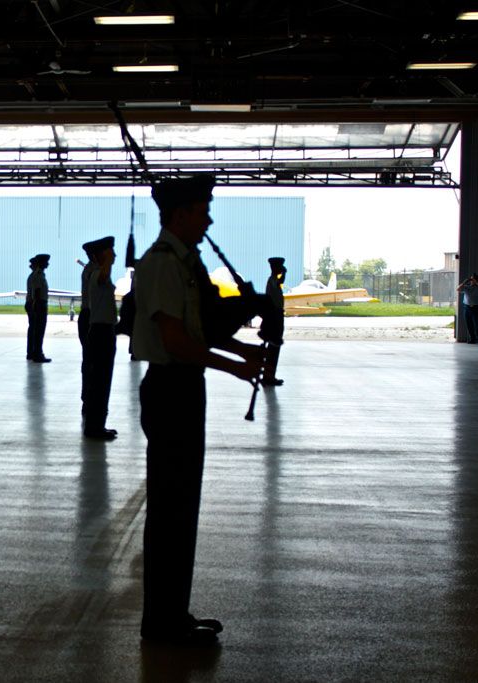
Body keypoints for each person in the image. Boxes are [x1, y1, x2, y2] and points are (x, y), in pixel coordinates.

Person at [132, 175, 264, 646]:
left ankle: (173, 614)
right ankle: (162, 624)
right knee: (170, 511)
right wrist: (232, 366)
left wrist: (240, 349)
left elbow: (196, 327)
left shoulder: (184, 262)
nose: (208, 217)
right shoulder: (164, 264)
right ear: (180, 214)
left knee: (181, 508)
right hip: (172, 389)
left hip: (184, 387)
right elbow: (174, 340)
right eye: (202, 209)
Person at [84, 237, 118, 440]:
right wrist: (107, 260)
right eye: (109, 251)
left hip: (105, 331)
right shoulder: (97, 274)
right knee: (100, 382)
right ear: (100, 256)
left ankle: (98, 424)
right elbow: (104, 275)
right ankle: (94, 427)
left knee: (103, 381)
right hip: (101, 332)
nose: (113, 255)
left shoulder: (100, 273)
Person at [78, 242, 98, 417]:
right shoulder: (95, 271)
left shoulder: (91, 269)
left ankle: (88, 398)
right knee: (93, 363)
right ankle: (90, 400)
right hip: (91, 318)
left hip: (88, 316)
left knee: (89, 361)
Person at [262, 257, 287, 386]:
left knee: (273, 348)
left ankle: (269, 375)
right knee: (273, 348)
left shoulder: (273, 280)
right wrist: (284, 273)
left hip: (276, 316)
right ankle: (268, 376)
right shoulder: (272, 280)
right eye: (280, 267)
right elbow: (279, 282)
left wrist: (284, 273)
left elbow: (280, 281)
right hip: (275, 317)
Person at [25, 253, 51, 363]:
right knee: (38, 330)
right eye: (46, 262)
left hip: (36, 304)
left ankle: (32, 352)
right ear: (42, 263)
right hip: (38, 304)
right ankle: (37, 354)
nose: (48, 264)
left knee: (34, 329)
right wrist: (36, 305)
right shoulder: (38, 275)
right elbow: (37, 292)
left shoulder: (37, 275)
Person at [456, 274, 478, 344]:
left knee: (477, 324)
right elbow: (458, 289)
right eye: (471, 279)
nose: (472, 281)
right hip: (467, 307)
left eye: (474, 279)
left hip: (476, 307)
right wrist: (464, 282)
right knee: (469, 324)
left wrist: (477, 283)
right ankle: (472, 339)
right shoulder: (466, 287)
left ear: (477, 280)